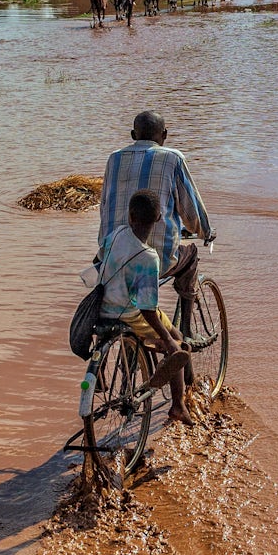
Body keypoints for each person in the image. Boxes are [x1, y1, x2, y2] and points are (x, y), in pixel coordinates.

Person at [99, 111, 214, 324]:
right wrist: (205, 231)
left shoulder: (114, 158)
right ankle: (186, 332)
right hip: (156, 258)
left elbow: (104, 206)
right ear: (165, 135)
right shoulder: (172, 158)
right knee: (191, 256)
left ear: (134, 134)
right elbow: (190, 210)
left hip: (111, 255)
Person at [99, 188, 195, 425]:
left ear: (130, 216)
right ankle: (178, 406)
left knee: (168, 337)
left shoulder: (116, 235)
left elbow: (100, 259)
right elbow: (147, 308)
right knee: (177, 341)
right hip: (129, 314)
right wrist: (169, 340)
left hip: (103, 307)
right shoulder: (148, 257)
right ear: (158, 219)